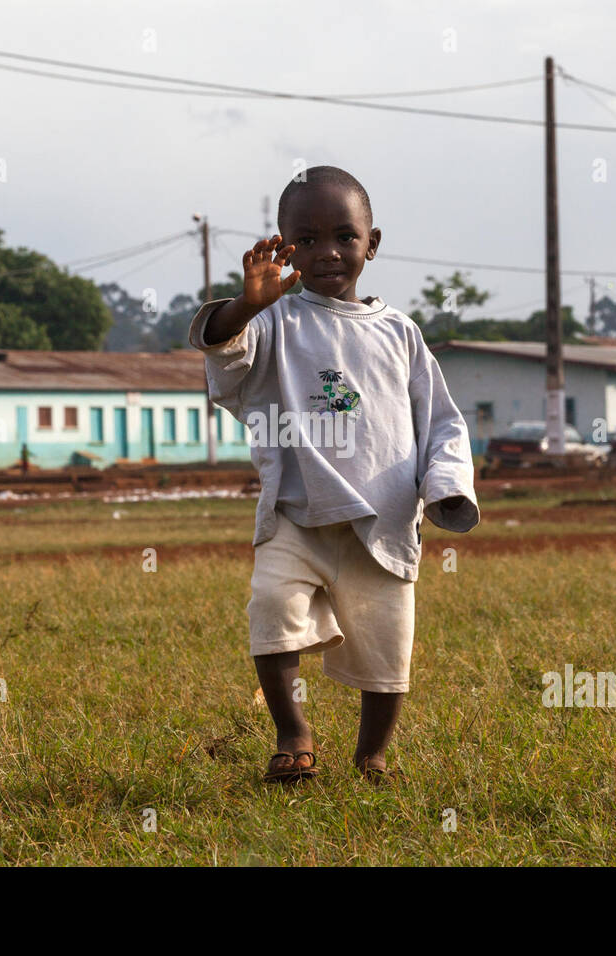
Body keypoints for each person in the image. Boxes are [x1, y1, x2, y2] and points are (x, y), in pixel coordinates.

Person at [189, 166, 479, 783]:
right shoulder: (273, 321)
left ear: (372, 243)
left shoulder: (399, 333)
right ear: (282, 244)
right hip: (296, 513)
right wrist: (246, 302)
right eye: (309, 238)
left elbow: (442, 424)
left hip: (384, 517)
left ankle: (372, 754)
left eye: (345, 236)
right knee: (271, 610)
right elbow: (224, 355)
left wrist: (448, 487)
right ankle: (293, 735)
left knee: (386, 647)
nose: (328, 252)